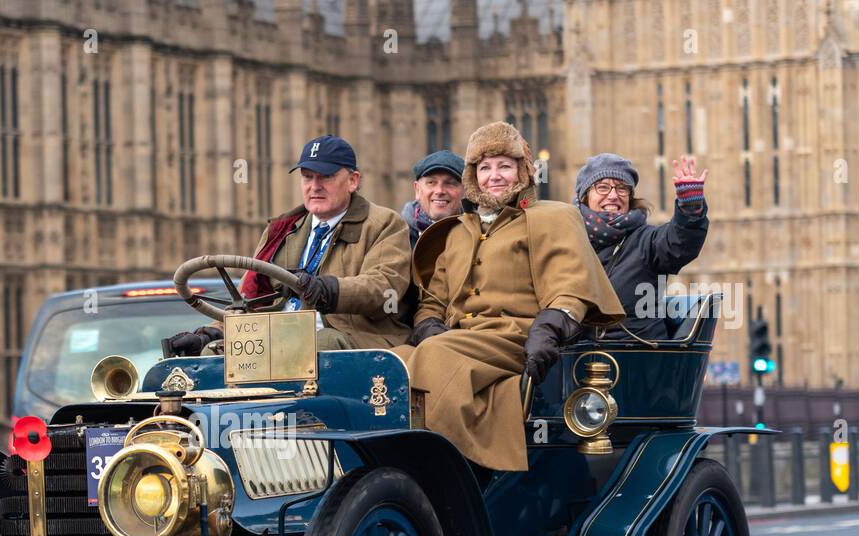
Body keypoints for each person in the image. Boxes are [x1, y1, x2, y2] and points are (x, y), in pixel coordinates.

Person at [399, 121, 624, 473]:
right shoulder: (457, 232)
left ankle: (440, 470)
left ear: (523, 170)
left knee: (435, 356)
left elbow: (570, 287)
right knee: (391, 362)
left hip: (516, 338)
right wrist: (428, 325)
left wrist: (549, 327)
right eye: (484, 168)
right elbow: (432, 301)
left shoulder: (552, 217)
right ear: (473, 176)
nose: (494, 176)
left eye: (504, 166)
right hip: (460, 341)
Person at [166, 134, 413, 355]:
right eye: (307, 177)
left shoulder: (384, 224)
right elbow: (251, 298)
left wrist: (329, 290)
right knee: (215, 353)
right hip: (278, 339)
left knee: (320, 344)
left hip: (354, 341)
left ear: (353, 180)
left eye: (326, 176)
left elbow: (385, 287)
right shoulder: (282, 231)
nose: (315, 186)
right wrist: (211, 334)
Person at [574, 152, 709, 341]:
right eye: (602, 187)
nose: (613, 195)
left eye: (622, 188)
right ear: (585, 195)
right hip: (579, 359)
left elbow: (679, 245)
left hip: (638, 357)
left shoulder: (646, 241)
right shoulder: (568, 240)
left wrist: (691, 207)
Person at [400, 149, 465, 246]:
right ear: (417, 190)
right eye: (431, 183)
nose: (440, 191)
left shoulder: (477, 235)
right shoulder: (396, 235)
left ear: (465, 191)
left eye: (450, 183)